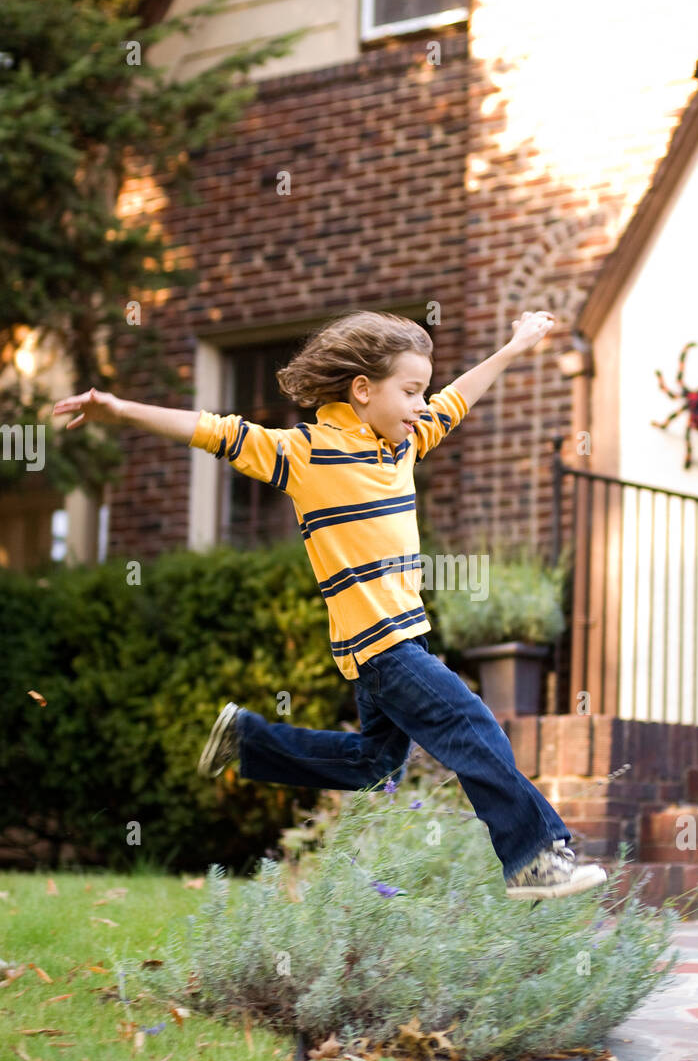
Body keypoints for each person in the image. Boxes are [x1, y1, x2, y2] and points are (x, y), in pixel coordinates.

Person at [53, 309, 607, 901]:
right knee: (470, 725)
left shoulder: (404, 443)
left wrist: (514, 347)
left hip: (396, 643)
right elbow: (214, 430)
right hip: (384, 645)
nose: (424, 404)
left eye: (424, 392)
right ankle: (533, 857)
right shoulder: (304, 454)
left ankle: (248, 740)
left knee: (374, 765)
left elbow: (458, 398)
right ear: (363, 391)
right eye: (411, 391)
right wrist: (118, 409)